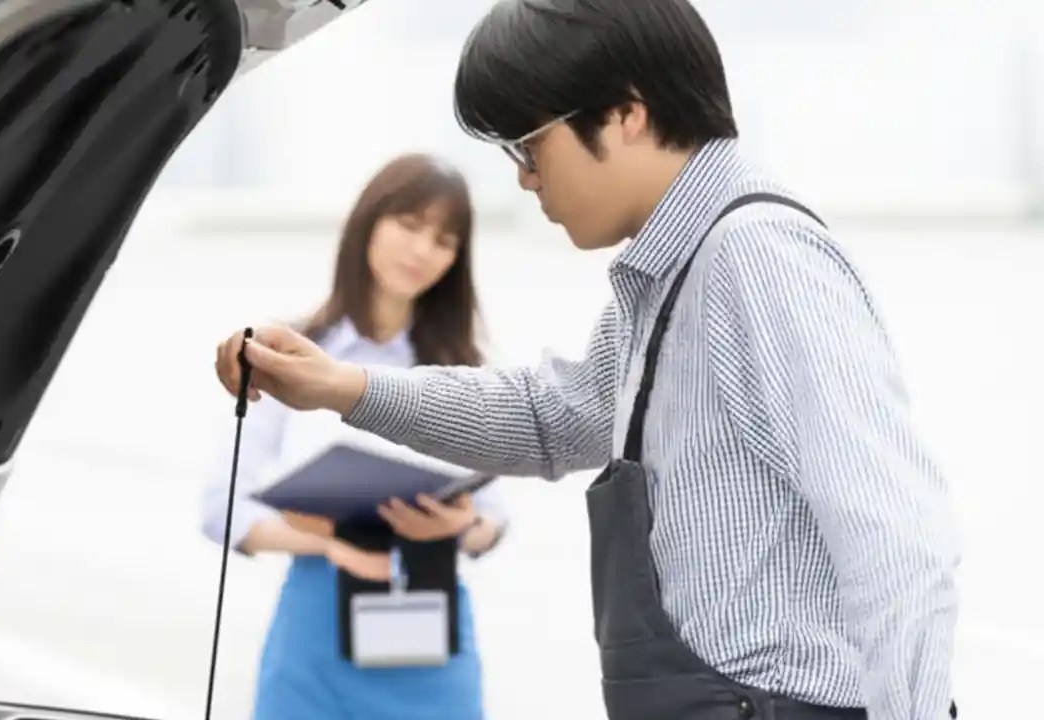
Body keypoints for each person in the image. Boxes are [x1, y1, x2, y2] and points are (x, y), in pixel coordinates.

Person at [213, 1, 962, 719]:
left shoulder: (757, 256)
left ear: (624, 112)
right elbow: (548, 421)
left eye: (529, 145)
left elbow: (895, 539)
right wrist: (341, 387)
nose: (525, 179)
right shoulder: (673, 272)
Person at [201, 153, 509, 720]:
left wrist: (462, 525)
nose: (422, 251)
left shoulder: (464, 372)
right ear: (369, 221)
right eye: (410, 225)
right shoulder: (288, 353)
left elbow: (492, 520)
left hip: (431, 640)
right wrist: (332, 545)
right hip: (315, 637)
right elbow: (222, 509)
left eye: (444, 240)